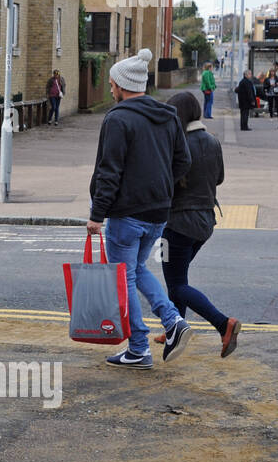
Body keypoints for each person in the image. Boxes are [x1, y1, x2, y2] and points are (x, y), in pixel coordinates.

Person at [86, 48, 193, 369]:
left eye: (111, 84)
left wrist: (96, 215)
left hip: (126, 214)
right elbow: (183, 162)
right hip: (158, 213)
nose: (109, 89)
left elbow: (109, 171)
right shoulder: (168, 116)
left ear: (121, 84)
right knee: (138, 270)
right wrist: (159, 187)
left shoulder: (118, 119)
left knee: (124, 279)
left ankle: (138, 348)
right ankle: (173, 320)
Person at [152, 91, 241, 358]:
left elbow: (165, 182)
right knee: (178, 278)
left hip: (178, 222)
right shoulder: (213, 141)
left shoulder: (178, 145)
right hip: (205, 222)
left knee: (177, 284)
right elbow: (220, 178)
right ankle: (173, 328)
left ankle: (223, 324)